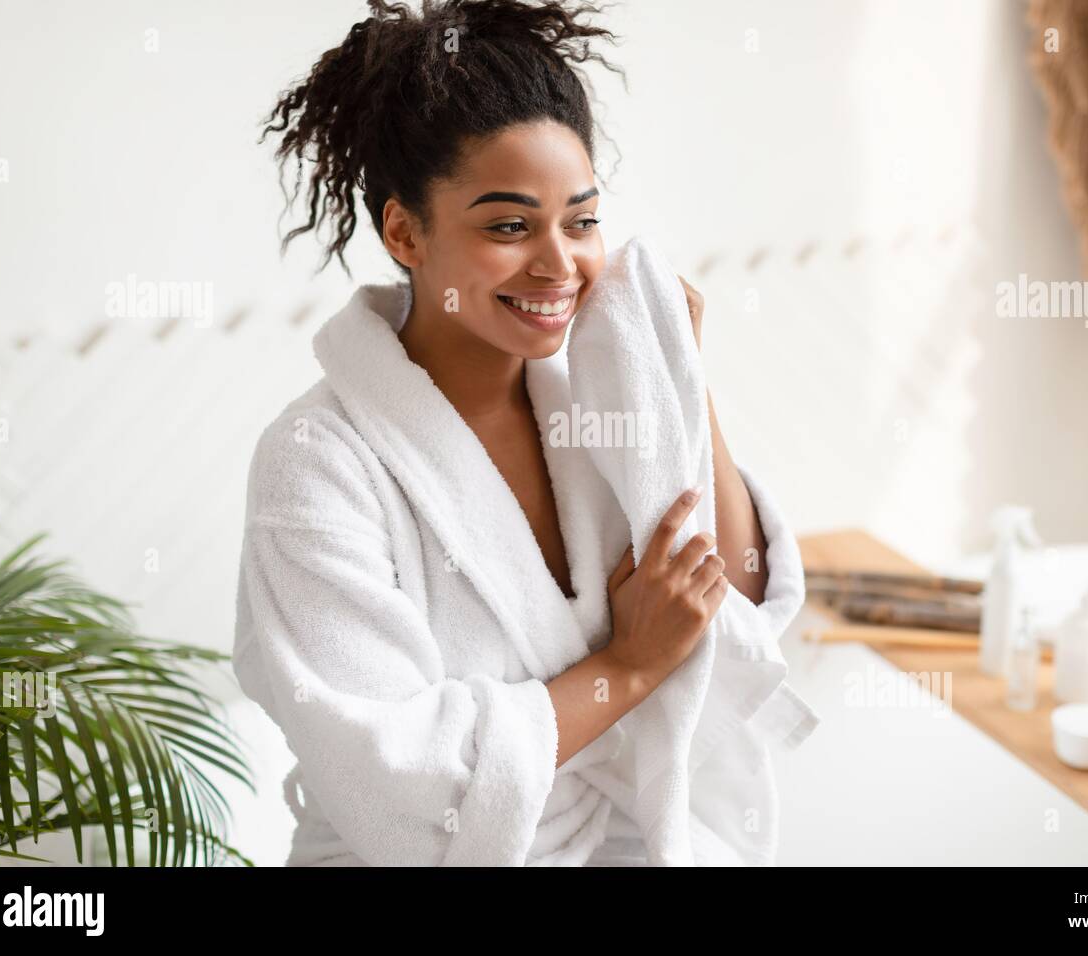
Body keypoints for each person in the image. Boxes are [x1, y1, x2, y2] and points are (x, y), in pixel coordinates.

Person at [233, 0, 797, 867]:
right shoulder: (316, 464)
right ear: (404, 231)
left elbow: (740, 607)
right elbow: (405, 784)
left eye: (581, 221)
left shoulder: (593, 408)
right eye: (508, 226)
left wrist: (683, 380)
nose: (557, 263)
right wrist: (629, 668)